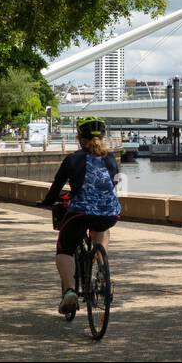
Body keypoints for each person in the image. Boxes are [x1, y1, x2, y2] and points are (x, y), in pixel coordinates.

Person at [39, 117, 123, 316]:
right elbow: (114, 183)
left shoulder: (73, 159)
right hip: (110, 213)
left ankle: (69, 291)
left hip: (80, 213)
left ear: (79, 138)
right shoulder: (111, 158)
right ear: (103, 137)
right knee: (102, 228)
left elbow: (56, 188)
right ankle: (101, 266)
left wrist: (46, 202)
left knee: (65, 248)